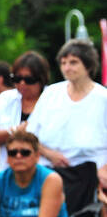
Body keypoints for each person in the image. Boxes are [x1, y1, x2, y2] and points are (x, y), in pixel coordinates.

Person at [27, 39, 107, 192]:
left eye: (73, 62)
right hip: (50, 171)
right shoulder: (51, 93)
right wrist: (49, 154)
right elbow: (30, 135)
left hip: (93, 175)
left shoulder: (103, 98)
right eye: (63, 63)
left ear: (88, 65)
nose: (67, 68)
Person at [0, 51, 49, 187]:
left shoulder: (53, 100)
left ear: (41, 80)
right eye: (17, 79)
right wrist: (14, 131)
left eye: (29, 80)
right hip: (7, 176)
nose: (22, 84)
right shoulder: (6, 99)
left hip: (42, 177)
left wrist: (3, 135)